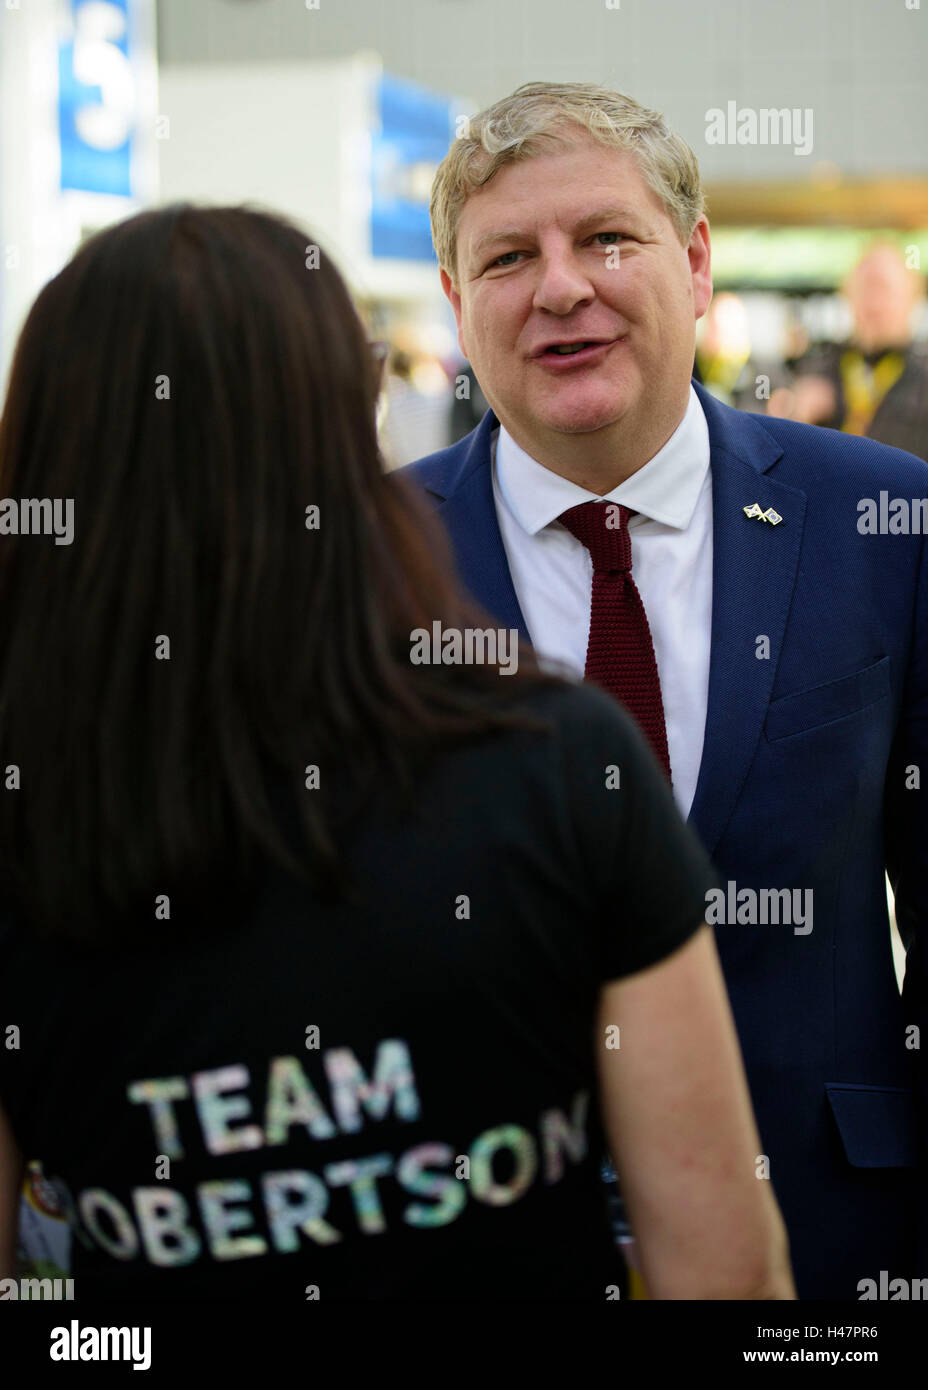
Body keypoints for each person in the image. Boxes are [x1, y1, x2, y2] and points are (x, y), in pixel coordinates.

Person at [0, 205, 793, 1300]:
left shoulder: (30, 813)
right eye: (508, 258)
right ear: (347, 425)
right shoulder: (551, 763)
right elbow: (728, 1275)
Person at [402, 80, 928, 1300]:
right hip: (470, 1251)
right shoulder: (361, 562)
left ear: (694, 263)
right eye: (507, 257)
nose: (560, 287)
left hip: (832, 1237)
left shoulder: (880, 523)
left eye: (604, 238)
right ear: (455, 303)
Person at [780, 242, 928, 459]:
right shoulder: (816, 366)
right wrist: (795, 414)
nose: (875, 303)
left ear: (911, 298)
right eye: (866, 288)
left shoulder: (923, 377)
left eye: (885, 289)